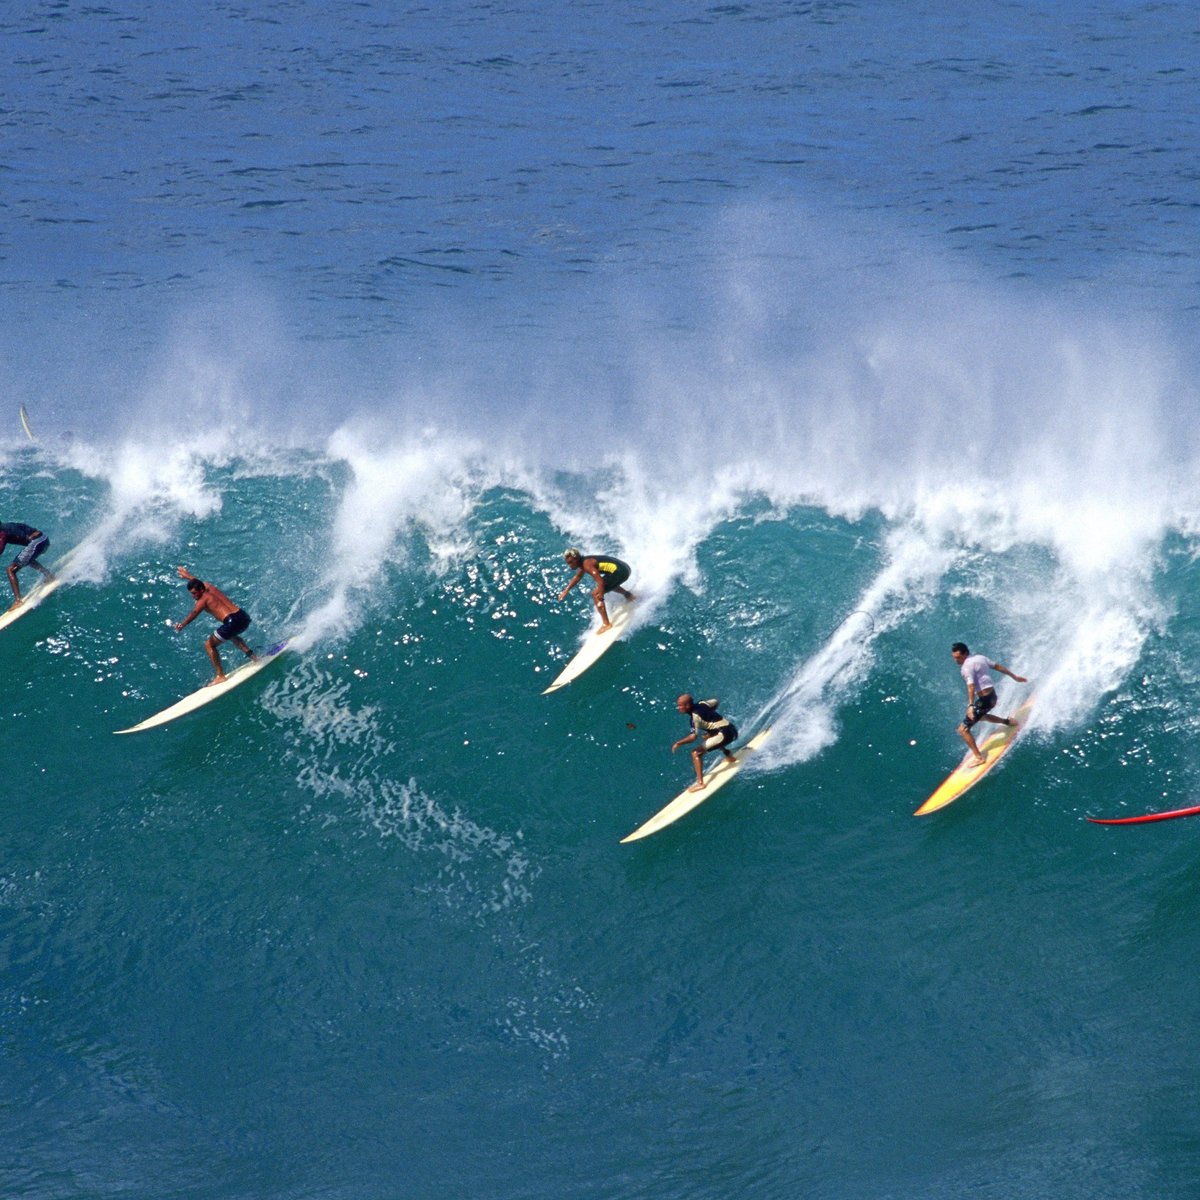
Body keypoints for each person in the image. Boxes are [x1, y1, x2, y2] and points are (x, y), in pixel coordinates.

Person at [174, 566, 257, 685]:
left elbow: (194, 613)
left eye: (194, 593)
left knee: (209, 645)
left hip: (232, 622)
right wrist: (187, 575)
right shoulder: (208, 587)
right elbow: (199, 582)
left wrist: (182, 625)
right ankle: (254, 657)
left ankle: (220, 675)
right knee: (232, 636)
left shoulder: (203, 599)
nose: (193, 596)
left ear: (201, 590)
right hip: (242, 616)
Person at [951, 642, 1028, 764]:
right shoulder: (980, 658)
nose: (956, 660)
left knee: (963, 729)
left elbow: (971, 687)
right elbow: (998, 667)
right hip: (992, 696)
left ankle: (979, 758)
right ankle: (1008, 722)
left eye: (958, 657)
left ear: (965, 654)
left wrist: (970, 705)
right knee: (981, 716)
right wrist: (1014, 676)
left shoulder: (966, 668)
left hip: (984, 700)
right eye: (954, 657)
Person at [672, 693, 739, 793]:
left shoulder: (695, 718)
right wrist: (710, 716)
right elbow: (716, 701)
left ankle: (700, 783)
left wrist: (678, 743)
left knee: (695, 753)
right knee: (709, 736)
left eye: (680, 705)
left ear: (687, 706)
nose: (678, 708)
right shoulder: (702, 703)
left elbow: (693, 737)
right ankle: (729, 756)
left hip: (725, 735)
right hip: (732, 730)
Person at [557, 548, 635, 634]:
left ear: (576, 559)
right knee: (608, 583)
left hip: (621, 572)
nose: (570, 565)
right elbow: (578, 577)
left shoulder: (587, 564)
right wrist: (566, 590)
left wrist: (600, 597)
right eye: (568, 563)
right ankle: (628, 595)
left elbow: (600, 581)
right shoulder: (584, 561)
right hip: (625, 568)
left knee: (595, 593)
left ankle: (606, 624)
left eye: (571, 562)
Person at [0, 521, 55, 610]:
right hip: (44, 540)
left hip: (38, 541)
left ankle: (18, 601)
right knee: (27, 559)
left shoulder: (2, 532)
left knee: (10, 570)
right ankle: (49, 576)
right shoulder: (7, 526)